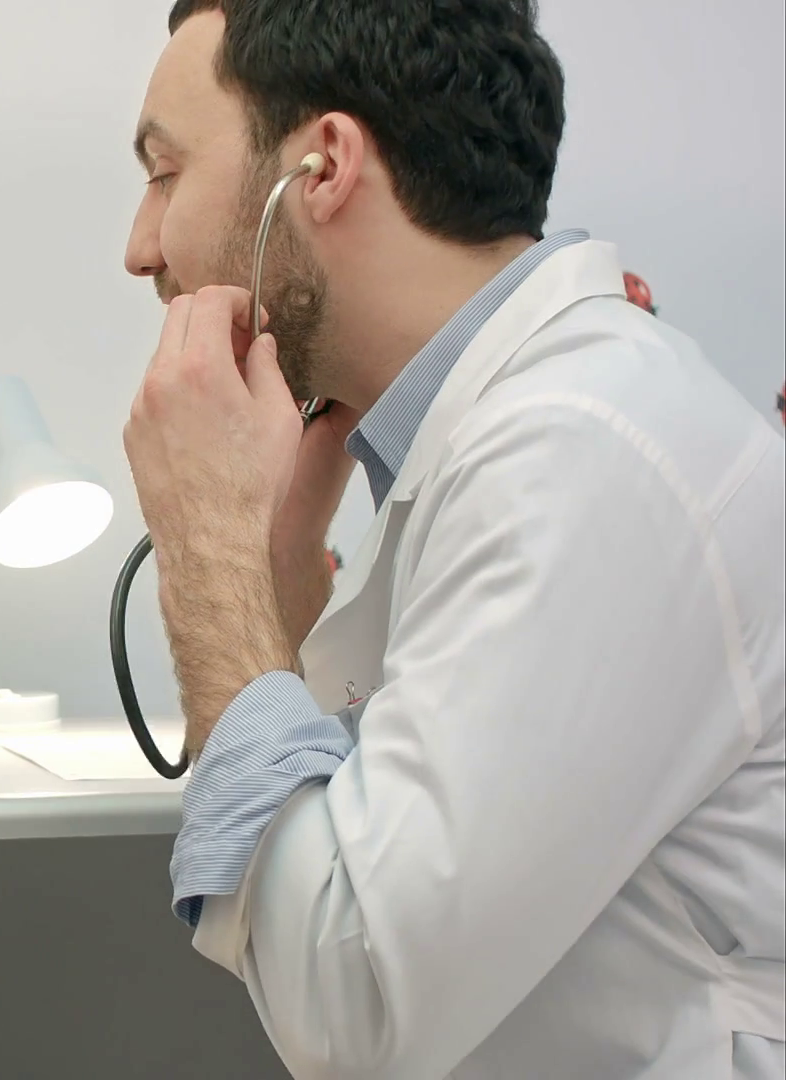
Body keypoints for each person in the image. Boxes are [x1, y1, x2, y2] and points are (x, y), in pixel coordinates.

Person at [119, 2, 784, 1077]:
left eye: (163, 174)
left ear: (322, 166)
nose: (141, 248)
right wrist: (279, 573)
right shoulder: (484, 442)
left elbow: (350, 1002)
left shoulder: (583, 447)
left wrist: (210, 552)